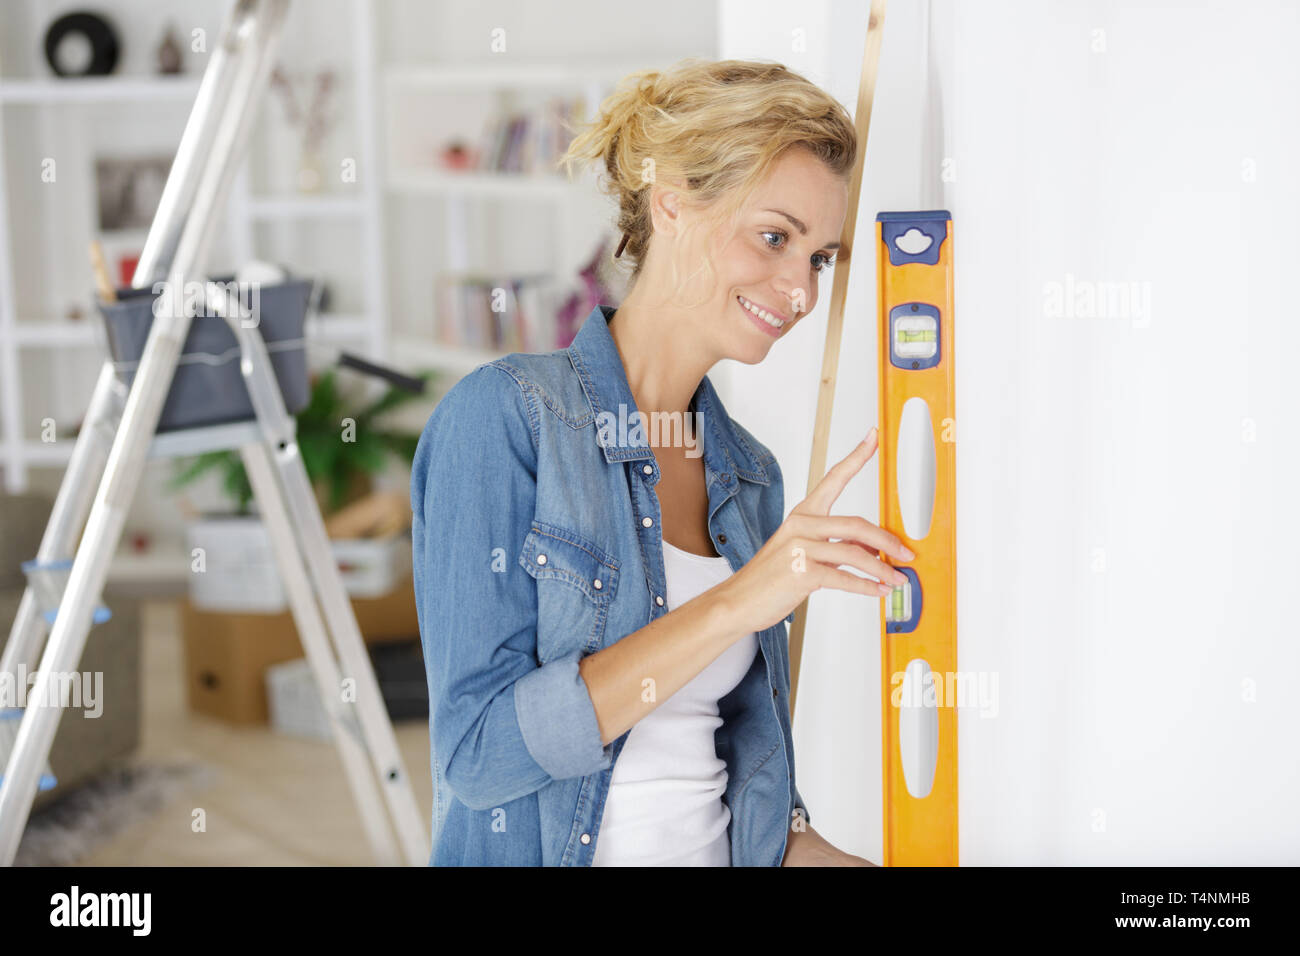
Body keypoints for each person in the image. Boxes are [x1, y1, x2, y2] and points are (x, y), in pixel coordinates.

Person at [411, 58, 912, 866]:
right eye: (776, 237)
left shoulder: (749, 478)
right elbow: (479, 757)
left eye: (820, 257)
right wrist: (737, 603)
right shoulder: (504, 419)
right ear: (672, 200)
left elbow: (753, 816)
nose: (801, 289)